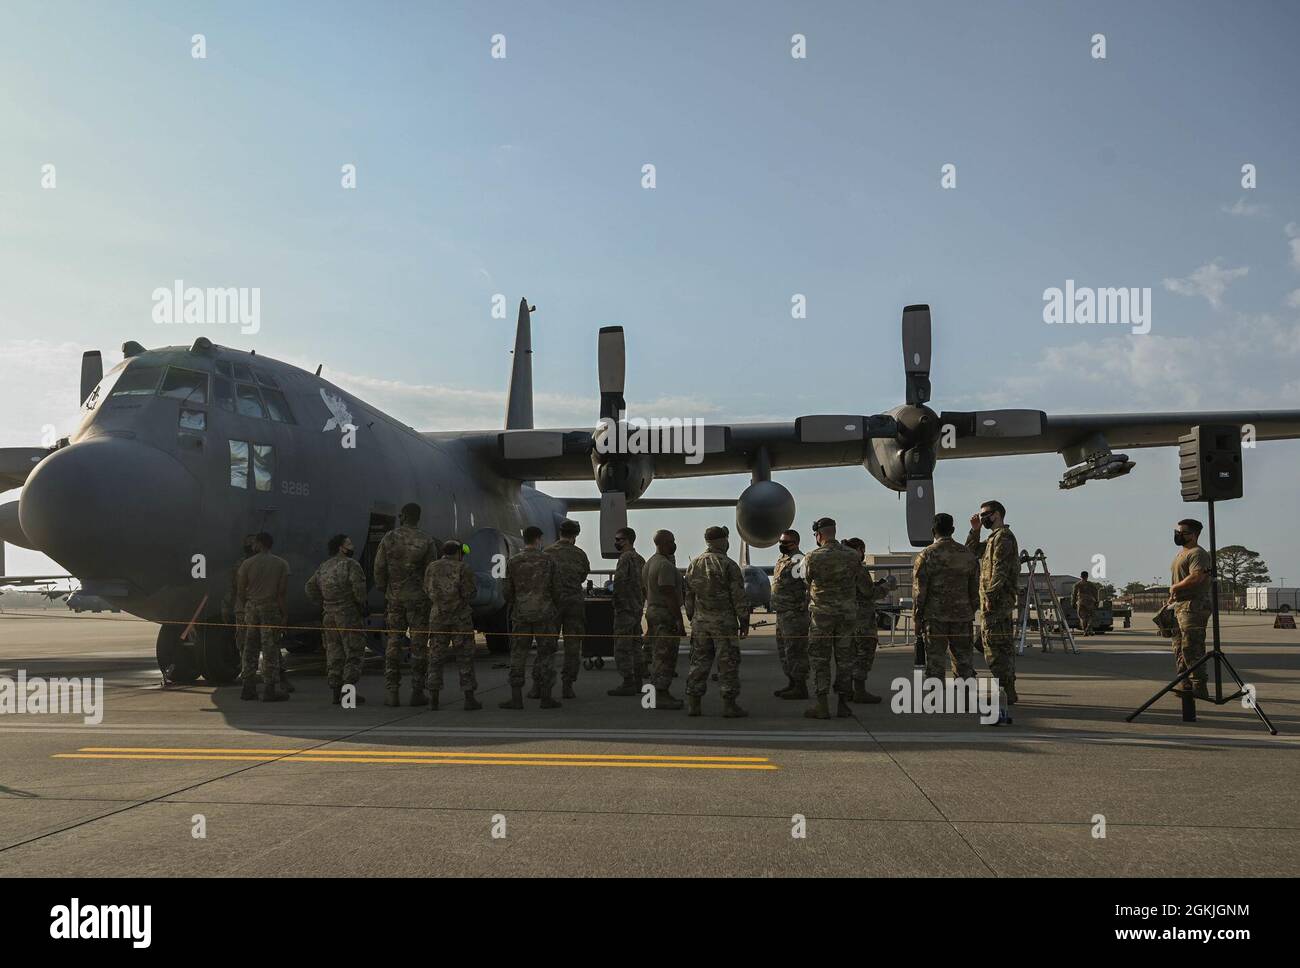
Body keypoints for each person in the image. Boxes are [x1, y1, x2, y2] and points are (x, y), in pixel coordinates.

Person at [374, 503, 436, 707]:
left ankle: (392, 692)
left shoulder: (389, 538)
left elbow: (379, 568)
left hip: (395, 598)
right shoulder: (426, 540)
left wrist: (385, 590)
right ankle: (417, 691)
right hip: (418, 600)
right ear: (418, 518)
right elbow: (430, 572)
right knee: (419, 646)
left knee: (393, 643)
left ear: (402, 516)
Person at [684, 525, 749, 717]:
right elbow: (738, 596)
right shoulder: (728, 564)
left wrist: (692, 617)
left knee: (699, 663)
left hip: (700, 623)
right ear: (722, 541)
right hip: (723, 623)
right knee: (727, 663)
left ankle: (694, 704)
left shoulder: (694, 564)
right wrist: (744, 619)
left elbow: (688, 596)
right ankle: (729, 705)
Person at [802, 517, 859, 719]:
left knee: (820, 660)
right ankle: (843, 704)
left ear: (819, 535)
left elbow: (807, 581)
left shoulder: (812, 557)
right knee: (845, 660)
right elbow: (857, 579)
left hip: (822, 616)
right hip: (846, 615)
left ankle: (822, 704)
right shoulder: (853, 556)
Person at [501, 526, 563, 709]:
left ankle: (516, 698)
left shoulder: (513, 561)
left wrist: (517, 603)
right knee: (546, 655)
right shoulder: (548, 560)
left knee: (518, 656)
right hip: (544, 614)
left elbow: (506, 592)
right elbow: (557, 590)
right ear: (538, 539)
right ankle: (546, 697)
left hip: (521, 615)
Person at [965, 500, 1020, 708]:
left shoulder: (1003, 538)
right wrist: (975, 531)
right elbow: (970, 552)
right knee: (992, 645)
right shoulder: (992, 539)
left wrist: (990, 596)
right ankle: (1008, 690)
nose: (983, 518)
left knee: (995, 649)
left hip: (997, 602)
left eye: (986, 514)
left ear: (997, 514)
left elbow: (1001, 570)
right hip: (992, 602)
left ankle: (1006, 691)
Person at [912, 514, 978, 680]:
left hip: (935, 618)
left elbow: (920, 591)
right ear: (953, 530)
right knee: (964, 662)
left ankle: (936, 702)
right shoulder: (967, 555)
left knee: (935, 663)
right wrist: (970, 609)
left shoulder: (926, 555)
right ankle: (965, 700)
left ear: (933, 531)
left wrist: (917, 618)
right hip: (962, 617)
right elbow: (974, 589)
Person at [304, 533, 368, 705]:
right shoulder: (351, 565)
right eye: (349, 543)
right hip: (347, 614)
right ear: (341, 547)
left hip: (329, 615)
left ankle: (335, 693)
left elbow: (309, 587)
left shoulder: (324, 566)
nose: (352, 546)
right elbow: (359, 591)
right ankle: (348, 696)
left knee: (334, 653)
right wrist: (360, 606)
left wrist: (324, 603)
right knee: (353, 653)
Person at [424, 540, 482, 711]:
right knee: (465, 657)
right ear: (457, 553)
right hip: (460, 618)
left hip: (438, 617)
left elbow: (426, 589)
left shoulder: (432, 567)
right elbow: (470, 593)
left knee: (435, 657)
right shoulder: (463, 568)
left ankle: (433, 698)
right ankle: (469, 698)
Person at [236, 532, 290, 702]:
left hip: (251, 609)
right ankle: (269, 689)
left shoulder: (246, 564)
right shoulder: (282, 564)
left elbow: (240, 590)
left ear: (259, 544)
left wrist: (249, 603)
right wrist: (284, 613)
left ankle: (248, 688)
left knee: (249, 648)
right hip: (270, 608)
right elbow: (281, 594)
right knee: (270, 649)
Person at [543, 519, 590, 699]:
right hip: (574, 605)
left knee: (547, 646)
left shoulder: (547, 553)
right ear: (575, 536)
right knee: (572, 647)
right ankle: (567, 685)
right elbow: (583, 576)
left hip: (552, 604)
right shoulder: (580, 554)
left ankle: (542, 686)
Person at [1168, 518, 1212, 700]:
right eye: (1177, 531)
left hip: (1193, 605)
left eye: (1183, 532)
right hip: (1179, 604)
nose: (1178, 535)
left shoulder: (1197, 553)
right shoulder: (1181, 554)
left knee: (1192, 646)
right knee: (1178, 647)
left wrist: (1175, 588)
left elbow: (1197, 577)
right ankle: (1184, 683)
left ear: (1194, 535)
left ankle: (1199, 686)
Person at [642, 529, 685, 710]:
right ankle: (660, 694)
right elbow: (668, 593)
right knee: (665, 656)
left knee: (656, 655)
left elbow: (646, 590)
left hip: (652, 610)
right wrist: (679, 620)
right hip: (664, 614)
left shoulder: (649, 563)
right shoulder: (665, 566)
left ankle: (652, 697)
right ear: (664, 543)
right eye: (672, 541)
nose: (674, 544)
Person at [843, 537, 883, 704]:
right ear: (859, 549)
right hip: (863, 620)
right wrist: (886, 587)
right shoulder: (859, 569)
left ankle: (848, 690)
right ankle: (859, 690)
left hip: (847, 619)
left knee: (850, 655)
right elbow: (870, 593)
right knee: (864, 654)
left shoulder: (843, 568)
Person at [608, 527, 647, 696]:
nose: (617, 542)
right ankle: (638, 680)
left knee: (623, 647)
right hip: (637, 608)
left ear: (629, 540)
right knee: (636, 646)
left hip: (625, 609)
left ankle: (628, 681)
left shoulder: (624, 559)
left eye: (620, 539)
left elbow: (620, 583)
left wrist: (617, 603)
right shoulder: (640, 559)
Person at [770, 530, 810, 700]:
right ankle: (792, 683)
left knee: (796, 652)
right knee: (784, 652)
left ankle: (800, 686)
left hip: (794, 615)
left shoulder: (799, 561)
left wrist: (803, 606)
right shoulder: (782, 560)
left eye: (786, 542)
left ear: (796, 543)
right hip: (782, 614)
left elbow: (809, 585)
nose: (782, 545)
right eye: (781, 541)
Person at [1071, 571, 1100, 636]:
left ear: (1080, 576)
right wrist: (1097, 601)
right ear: (1087, 576)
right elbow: (1095, 593)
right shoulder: (1091, 584)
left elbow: (1074, 595)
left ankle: (1085, 631)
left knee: (1082, 618)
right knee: (1091, 617)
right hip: (1090, 602)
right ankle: (1088, 629)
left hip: (1081, 602)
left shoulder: (1077, 585)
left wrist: (1073, 603)